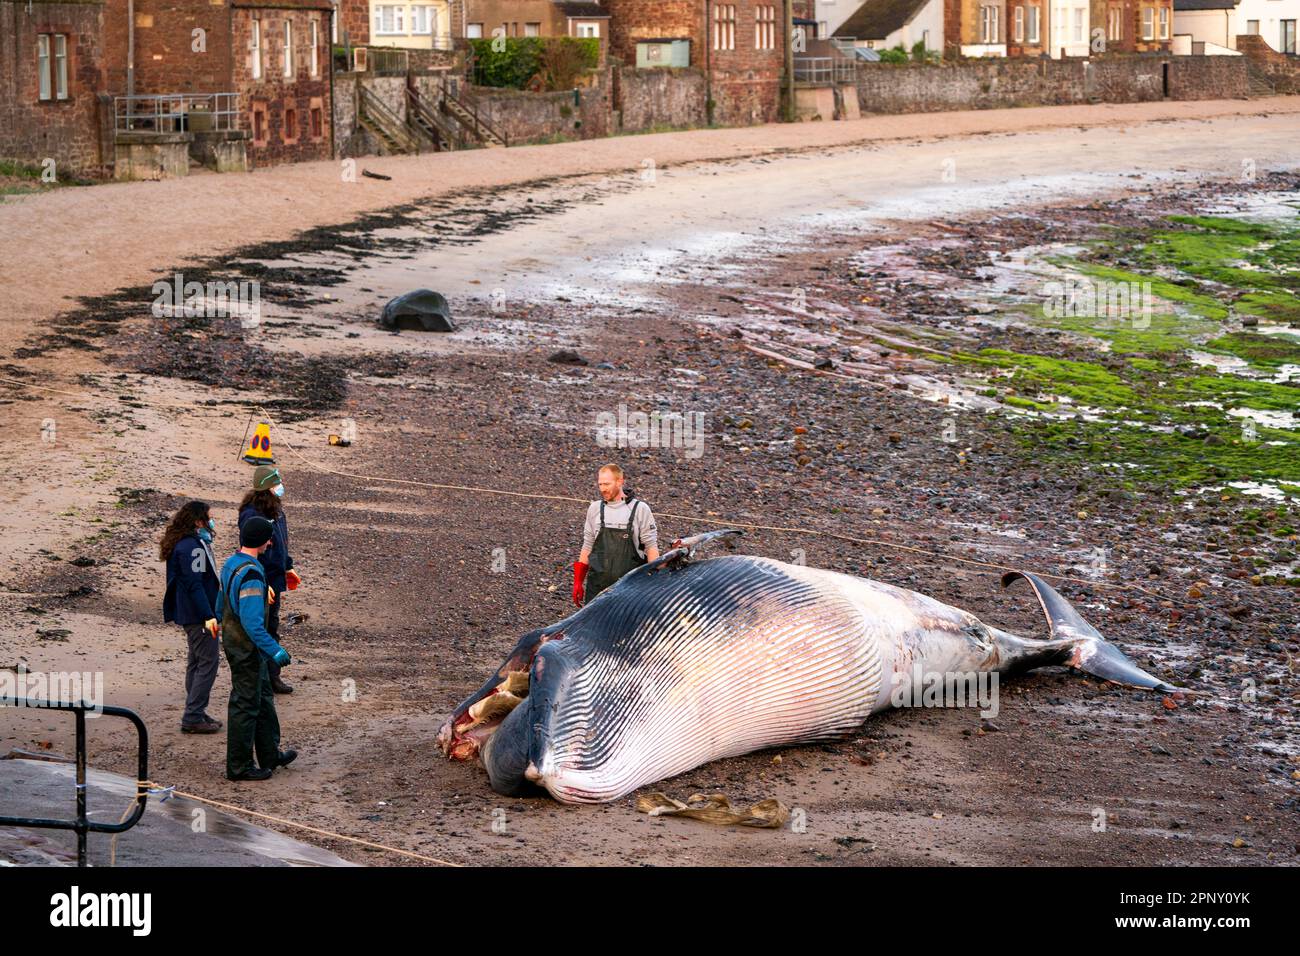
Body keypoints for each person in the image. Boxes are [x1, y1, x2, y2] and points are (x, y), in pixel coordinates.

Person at [215, 516, 297, 781]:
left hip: (238, 642)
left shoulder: (232, 563)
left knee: (263, 699)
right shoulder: (251, 574)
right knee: (246, 704)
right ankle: (239, 767)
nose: (271, 541)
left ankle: (269, 754)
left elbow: (221, 599)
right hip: (246, 647)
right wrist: (274, 650)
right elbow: (252, 623)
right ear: (263, 541)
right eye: (269, 538)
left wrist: (218, 621)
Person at [161, 500, 223, 734]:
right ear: (198, 521)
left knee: (196, 662)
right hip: (199, 614)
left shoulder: (183, 543)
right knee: (208, 662)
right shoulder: (193, 547)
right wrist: (209, 614)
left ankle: (196, 709)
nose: (212, 521)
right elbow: (195, 584)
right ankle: (193, 715)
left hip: (190, 613)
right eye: (208, 517)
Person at [238, 465, 300, 694]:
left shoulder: (275, 510)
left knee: (271, 625)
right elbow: (252, 548)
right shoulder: (252, 514)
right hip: (261, 578)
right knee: (261, 627)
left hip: (275, 576)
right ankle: (265, 676)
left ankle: (271, 675)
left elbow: (281, 542)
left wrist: (288, 566)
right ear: (267, 487)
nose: (280, 486)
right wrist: (262, 582)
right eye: (277, 483)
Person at [572, 464, 660, 606]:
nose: (603, 489)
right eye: (600, 484)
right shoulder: (595, 509)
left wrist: (654, 584)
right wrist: (578, 581)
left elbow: (650, 547)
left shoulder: (639, 509)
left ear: (620, 481)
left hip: (630, 591)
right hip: (596, 590)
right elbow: (588, 545)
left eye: (607, 484)